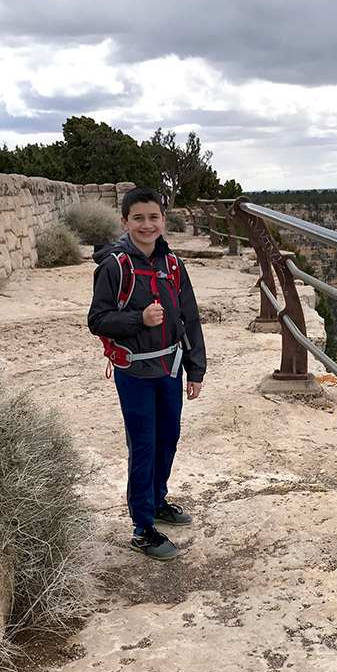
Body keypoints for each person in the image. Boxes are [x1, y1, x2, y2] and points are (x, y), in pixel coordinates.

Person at [88, 188, 206, 560]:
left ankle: (156, 501)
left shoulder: (171, 264)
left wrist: (195, 367)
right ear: (125, 222)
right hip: (134, 371)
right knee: (143, 446)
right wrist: (139, 318)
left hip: (169, 369)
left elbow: (189, 317)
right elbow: (98, 320)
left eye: (153, 217)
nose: (146, 225)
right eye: (137, 218)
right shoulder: (114, 266)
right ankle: (142, 527)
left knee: (168, 437)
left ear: (163, 221)